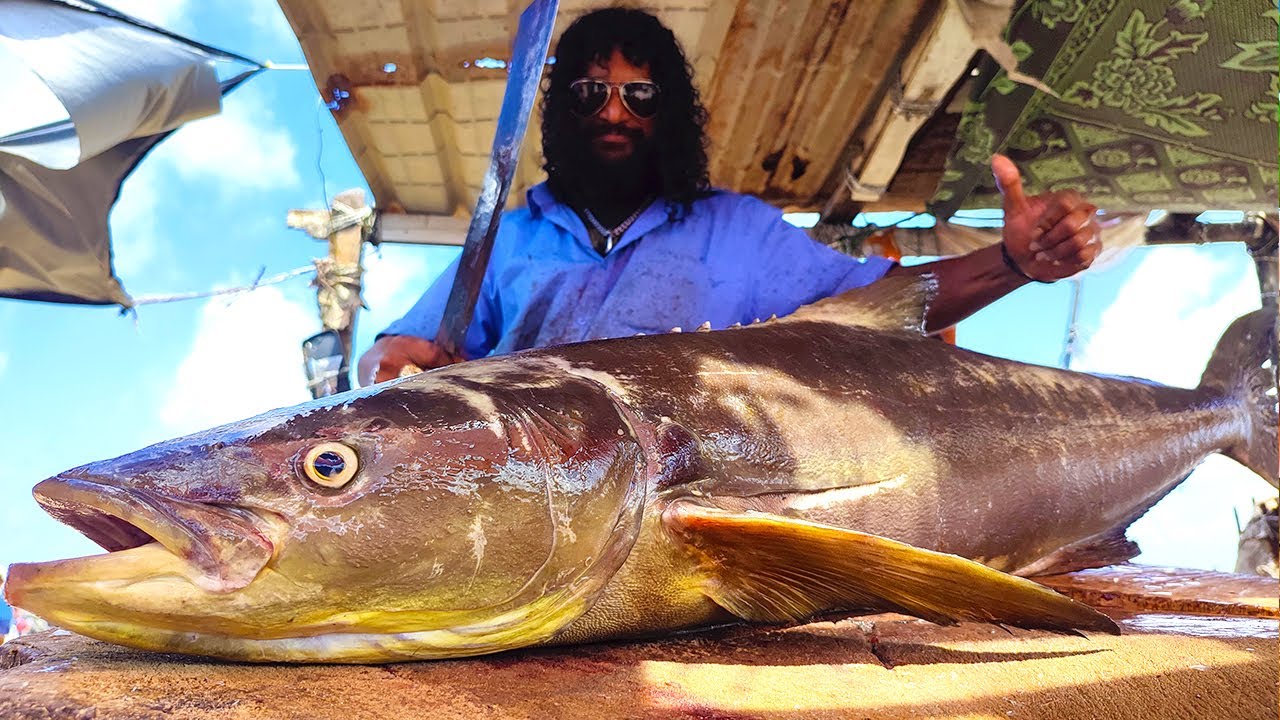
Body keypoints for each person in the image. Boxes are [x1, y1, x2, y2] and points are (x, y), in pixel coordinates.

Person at [358, 8, 1101, 385]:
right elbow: (397, 354)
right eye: (590, 92)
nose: (614, 111)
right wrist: (391, 362)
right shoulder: (509, 240)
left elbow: (882, 308)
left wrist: (1012, 262)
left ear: (669, 113)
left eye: (639, 94)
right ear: (560, 113)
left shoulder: (741, 233)